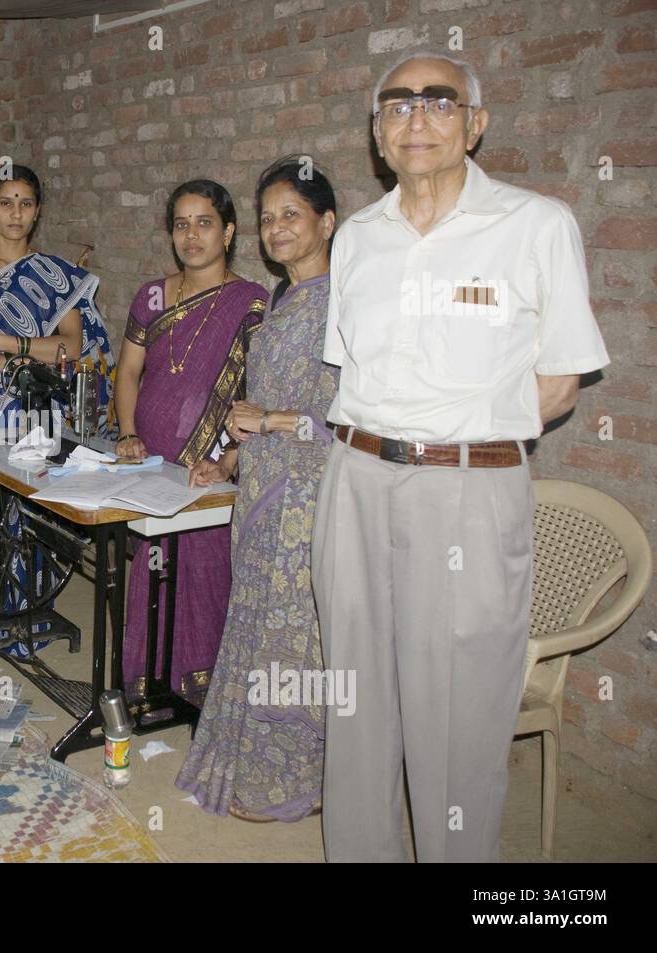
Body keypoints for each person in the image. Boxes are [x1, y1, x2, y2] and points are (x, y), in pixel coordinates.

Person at [313, 52, 609, 862]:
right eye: (397, 105)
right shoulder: (358, 240)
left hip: (471, 491)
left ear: (475, 124)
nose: (416, 118)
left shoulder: (536, 224)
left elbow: (558, 384)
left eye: (439, 101)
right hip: (356, 481)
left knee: (460, 716)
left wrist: (455, 433)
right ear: (377, 135)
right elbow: (350, 370)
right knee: (356, 704)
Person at [176, 155, 339, 822]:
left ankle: (294, 782)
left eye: (291, 216)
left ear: (327, 221)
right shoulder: (283, 300)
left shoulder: (342, 304)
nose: (277, 228)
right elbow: (266, 408)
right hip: (263, 493)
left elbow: (353, 421)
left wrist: (267, 421)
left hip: (310, 500)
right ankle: (257, 765)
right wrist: (228, 460)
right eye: (268, 218)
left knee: (294, 640)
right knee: (257, 631)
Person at [0, 164, 115, 665]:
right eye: (5, 202)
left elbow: (69, 348)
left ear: (37, 211)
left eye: (26, 203)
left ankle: (21, 616)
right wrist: (20, 354)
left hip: (32, 411)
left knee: (27, 519)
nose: (15, 213)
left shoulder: (57, 276)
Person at [113, 179, 267, 700]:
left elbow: (259, 396)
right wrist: (129, 432)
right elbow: (128, 372)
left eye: (205, 223)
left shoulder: (252, 305)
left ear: (228, 232)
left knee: (202, 562)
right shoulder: (152, 297)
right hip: (150, 459)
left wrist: (228, 461)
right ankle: (148, 677)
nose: (192, 235)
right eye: (181, 224)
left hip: (206, 465)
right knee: (152, 560)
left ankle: (201, 683)